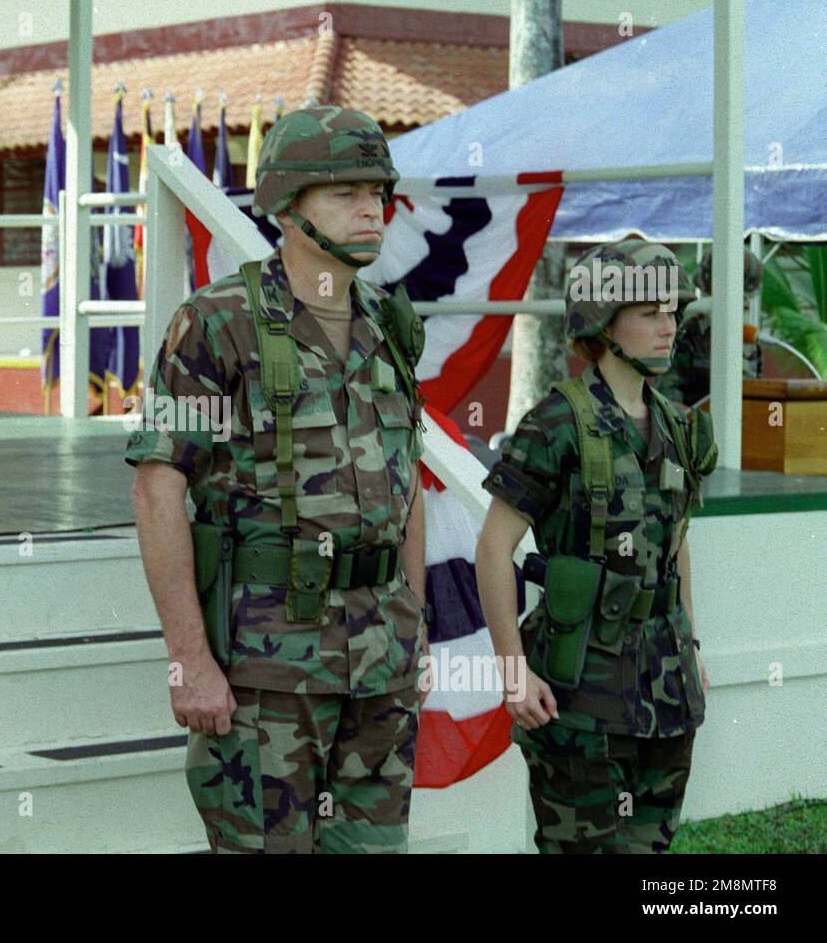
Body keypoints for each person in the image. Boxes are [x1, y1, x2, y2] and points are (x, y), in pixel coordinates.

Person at [126, 106, 429, 854]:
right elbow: (158, 487)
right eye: (344, 193)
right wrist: (189, 660)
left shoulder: (388, 325)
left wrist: (413, 627)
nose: (370, 210)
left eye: (377, 193)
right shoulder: (217, 323)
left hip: (380, 666)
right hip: (269, 671)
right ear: (288, 209)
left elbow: (408, 485)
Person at [476, 238, 717, 853]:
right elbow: (494, 550)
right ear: (602, 325)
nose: (669, 327)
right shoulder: (554, 425)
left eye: (672, 311)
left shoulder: (678, 423)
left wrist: (688, 641)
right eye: (650, 313)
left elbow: (677, 543)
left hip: (665, 684)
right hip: (580, 689)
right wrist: (512, 671)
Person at [654, 246, 763, 406]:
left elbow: (759, 396)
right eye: (741, 295)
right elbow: (668, 400)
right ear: (712, 288)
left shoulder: (749, 340)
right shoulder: (688, 335)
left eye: (747, 296)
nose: (745, 304)